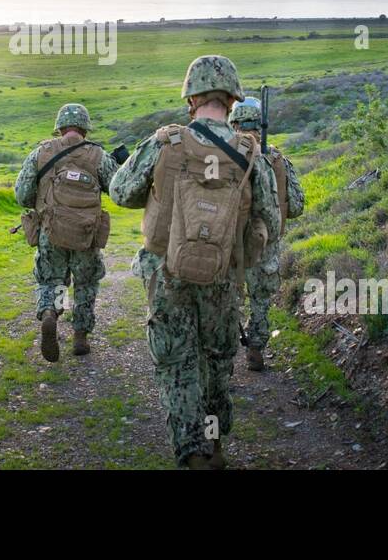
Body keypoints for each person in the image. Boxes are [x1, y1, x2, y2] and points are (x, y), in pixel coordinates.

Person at [109, 56, 281, 469]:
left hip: (166, 273)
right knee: (217, 360)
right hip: (222, 274)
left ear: (192, 98)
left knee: (176, 361)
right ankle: (214, 440)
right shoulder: (250, 152)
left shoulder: (165, 141)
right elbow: (272, 219)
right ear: (231, 99)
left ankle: (190, 452)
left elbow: (120, 192)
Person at [14, 103, 120, 361]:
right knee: (85, 283)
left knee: (53, 281)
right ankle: (80, 336)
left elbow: (22, 195)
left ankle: (51, 312)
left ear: (59, 126)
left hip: (51, 233)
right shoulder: (98, 156)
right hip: (85, 233)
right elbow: (118, 190)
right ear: (85, 127)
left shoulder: (41, 153)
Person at [227, 96, 305, 371]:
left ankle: (223, 362)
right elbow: (296, 205)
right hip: (266, 243)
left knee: (228, 300)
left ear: (233, 123)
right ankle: (256, 352)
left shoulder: (221, 155)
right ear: (261, 124)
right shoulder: (277, 158)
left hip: (231, 243)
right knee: (260, 301)